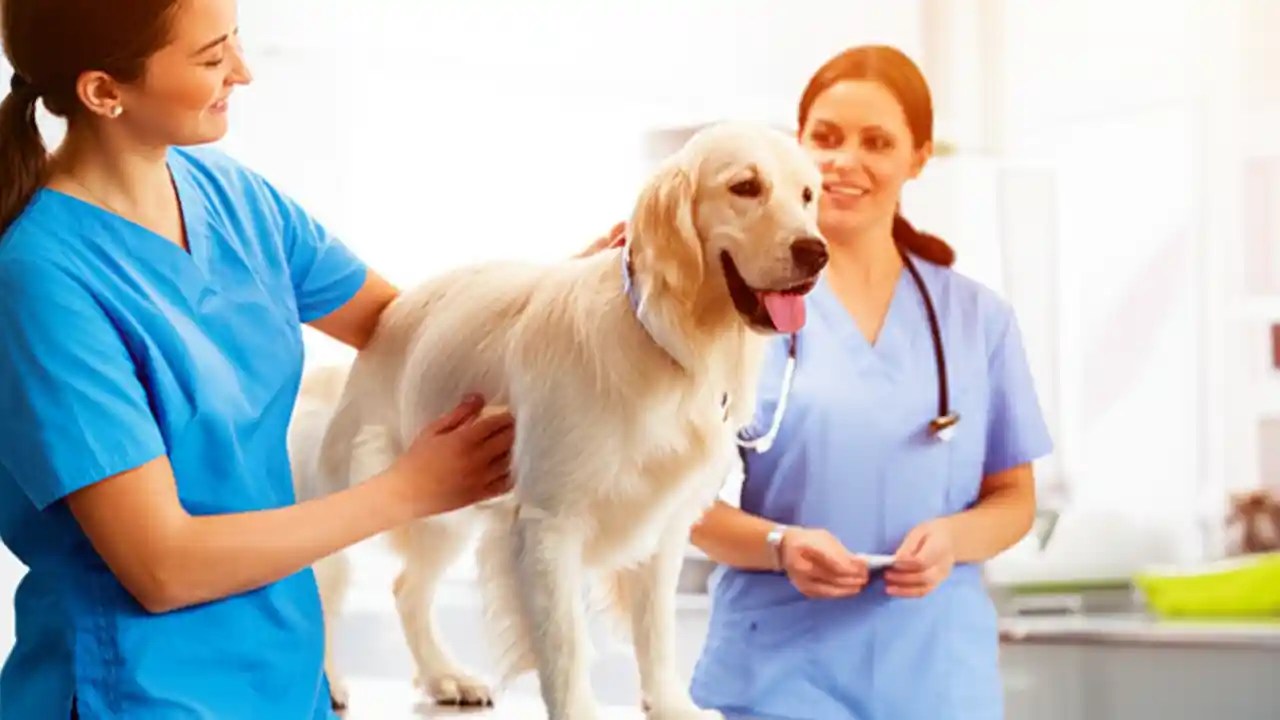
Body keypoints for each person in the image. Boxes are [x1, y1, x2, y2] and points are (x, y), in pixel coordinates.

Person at [0, 1, 519, 718]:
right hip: (141, 694)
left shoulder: (233, 196)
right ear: (102, 92)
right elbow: (162, 565)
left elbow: (402, 329)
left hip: (283, 676)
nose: (241, 73)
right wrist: (406, 492)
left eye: (237, 44)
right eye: (213, 59)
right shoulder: (44, 278)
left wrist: (559, 310)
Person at [601, 45, 1053, 719]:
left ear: (918, 157)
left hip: (936, 677)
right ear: (798, 144)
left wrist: (954, 541)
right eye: (827, 138)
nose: (845, 161)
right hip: (774, 676)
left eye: (877, 142)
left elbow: (1014, 499)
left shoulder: (977, 320)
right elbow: (667, 498)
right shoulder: (716, 308)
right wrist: (780, 547)